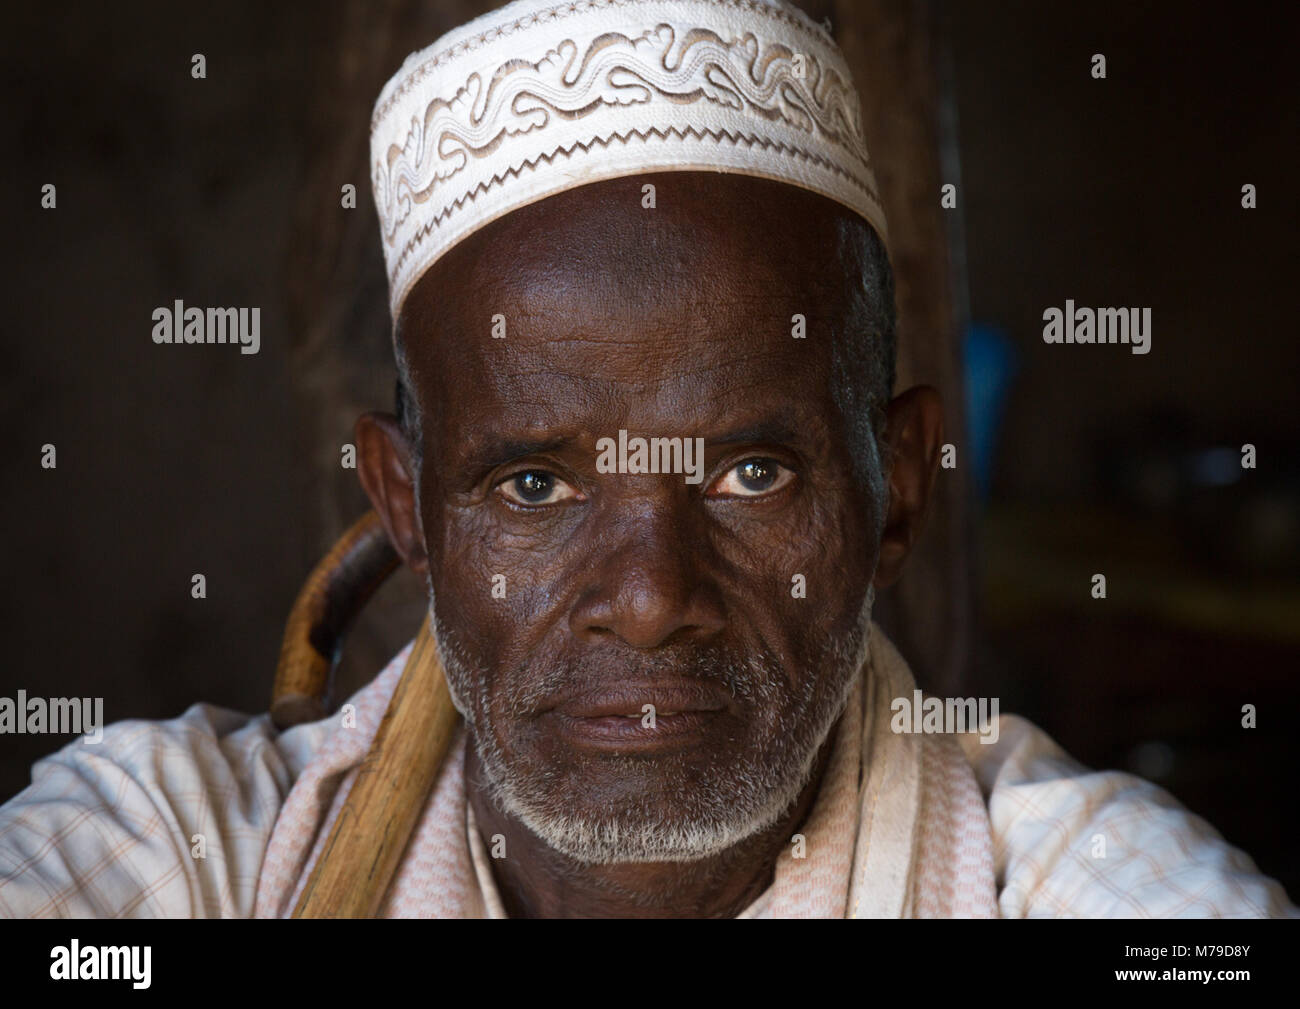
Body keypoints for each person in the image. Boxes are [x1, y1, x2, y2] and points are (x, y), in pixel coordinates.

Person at [0, 0, 1293, 918]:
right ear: (405, 504)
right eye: (536, 485)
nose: (650, 594)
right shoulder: (180, 854)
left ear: (894, 485)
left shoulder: (1081, 889)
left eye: (749, 472)